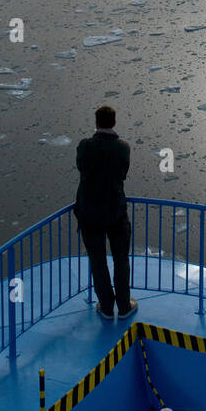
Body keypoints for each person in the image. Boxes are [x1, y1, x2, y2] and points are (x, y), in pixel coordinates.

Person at [74, 104, 138, 320]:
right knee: (121, 258)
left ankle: (106, 306)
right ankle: (124, 305)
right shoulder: (123, 148)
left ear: (96, 122)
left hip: (90, 213)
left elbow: (81, 167)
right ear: (114, 122)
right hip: (116, 212)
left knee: (97, 259)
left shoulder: (85, 146)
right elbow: (123, 173)